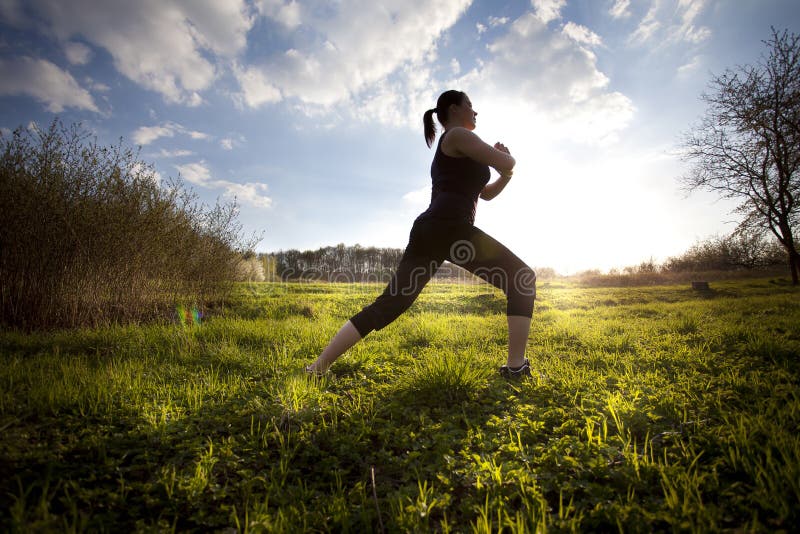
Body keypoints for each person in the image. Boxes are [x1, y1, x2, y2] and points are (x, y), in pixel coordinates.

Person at [306, 90, 536, 378]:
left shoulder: (460, 144)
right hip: (449, 228)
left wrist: (506, 174)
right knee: (521, 278)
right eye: (470, 106)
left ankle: (317, 368)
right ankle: (515, 367)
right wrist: (505, 158)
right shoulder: (456, 136)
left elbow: (485, 195)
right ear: (454, 109)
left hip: (434, 231)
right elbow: (509, 162)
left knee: (391, 304)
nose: (475, 112)